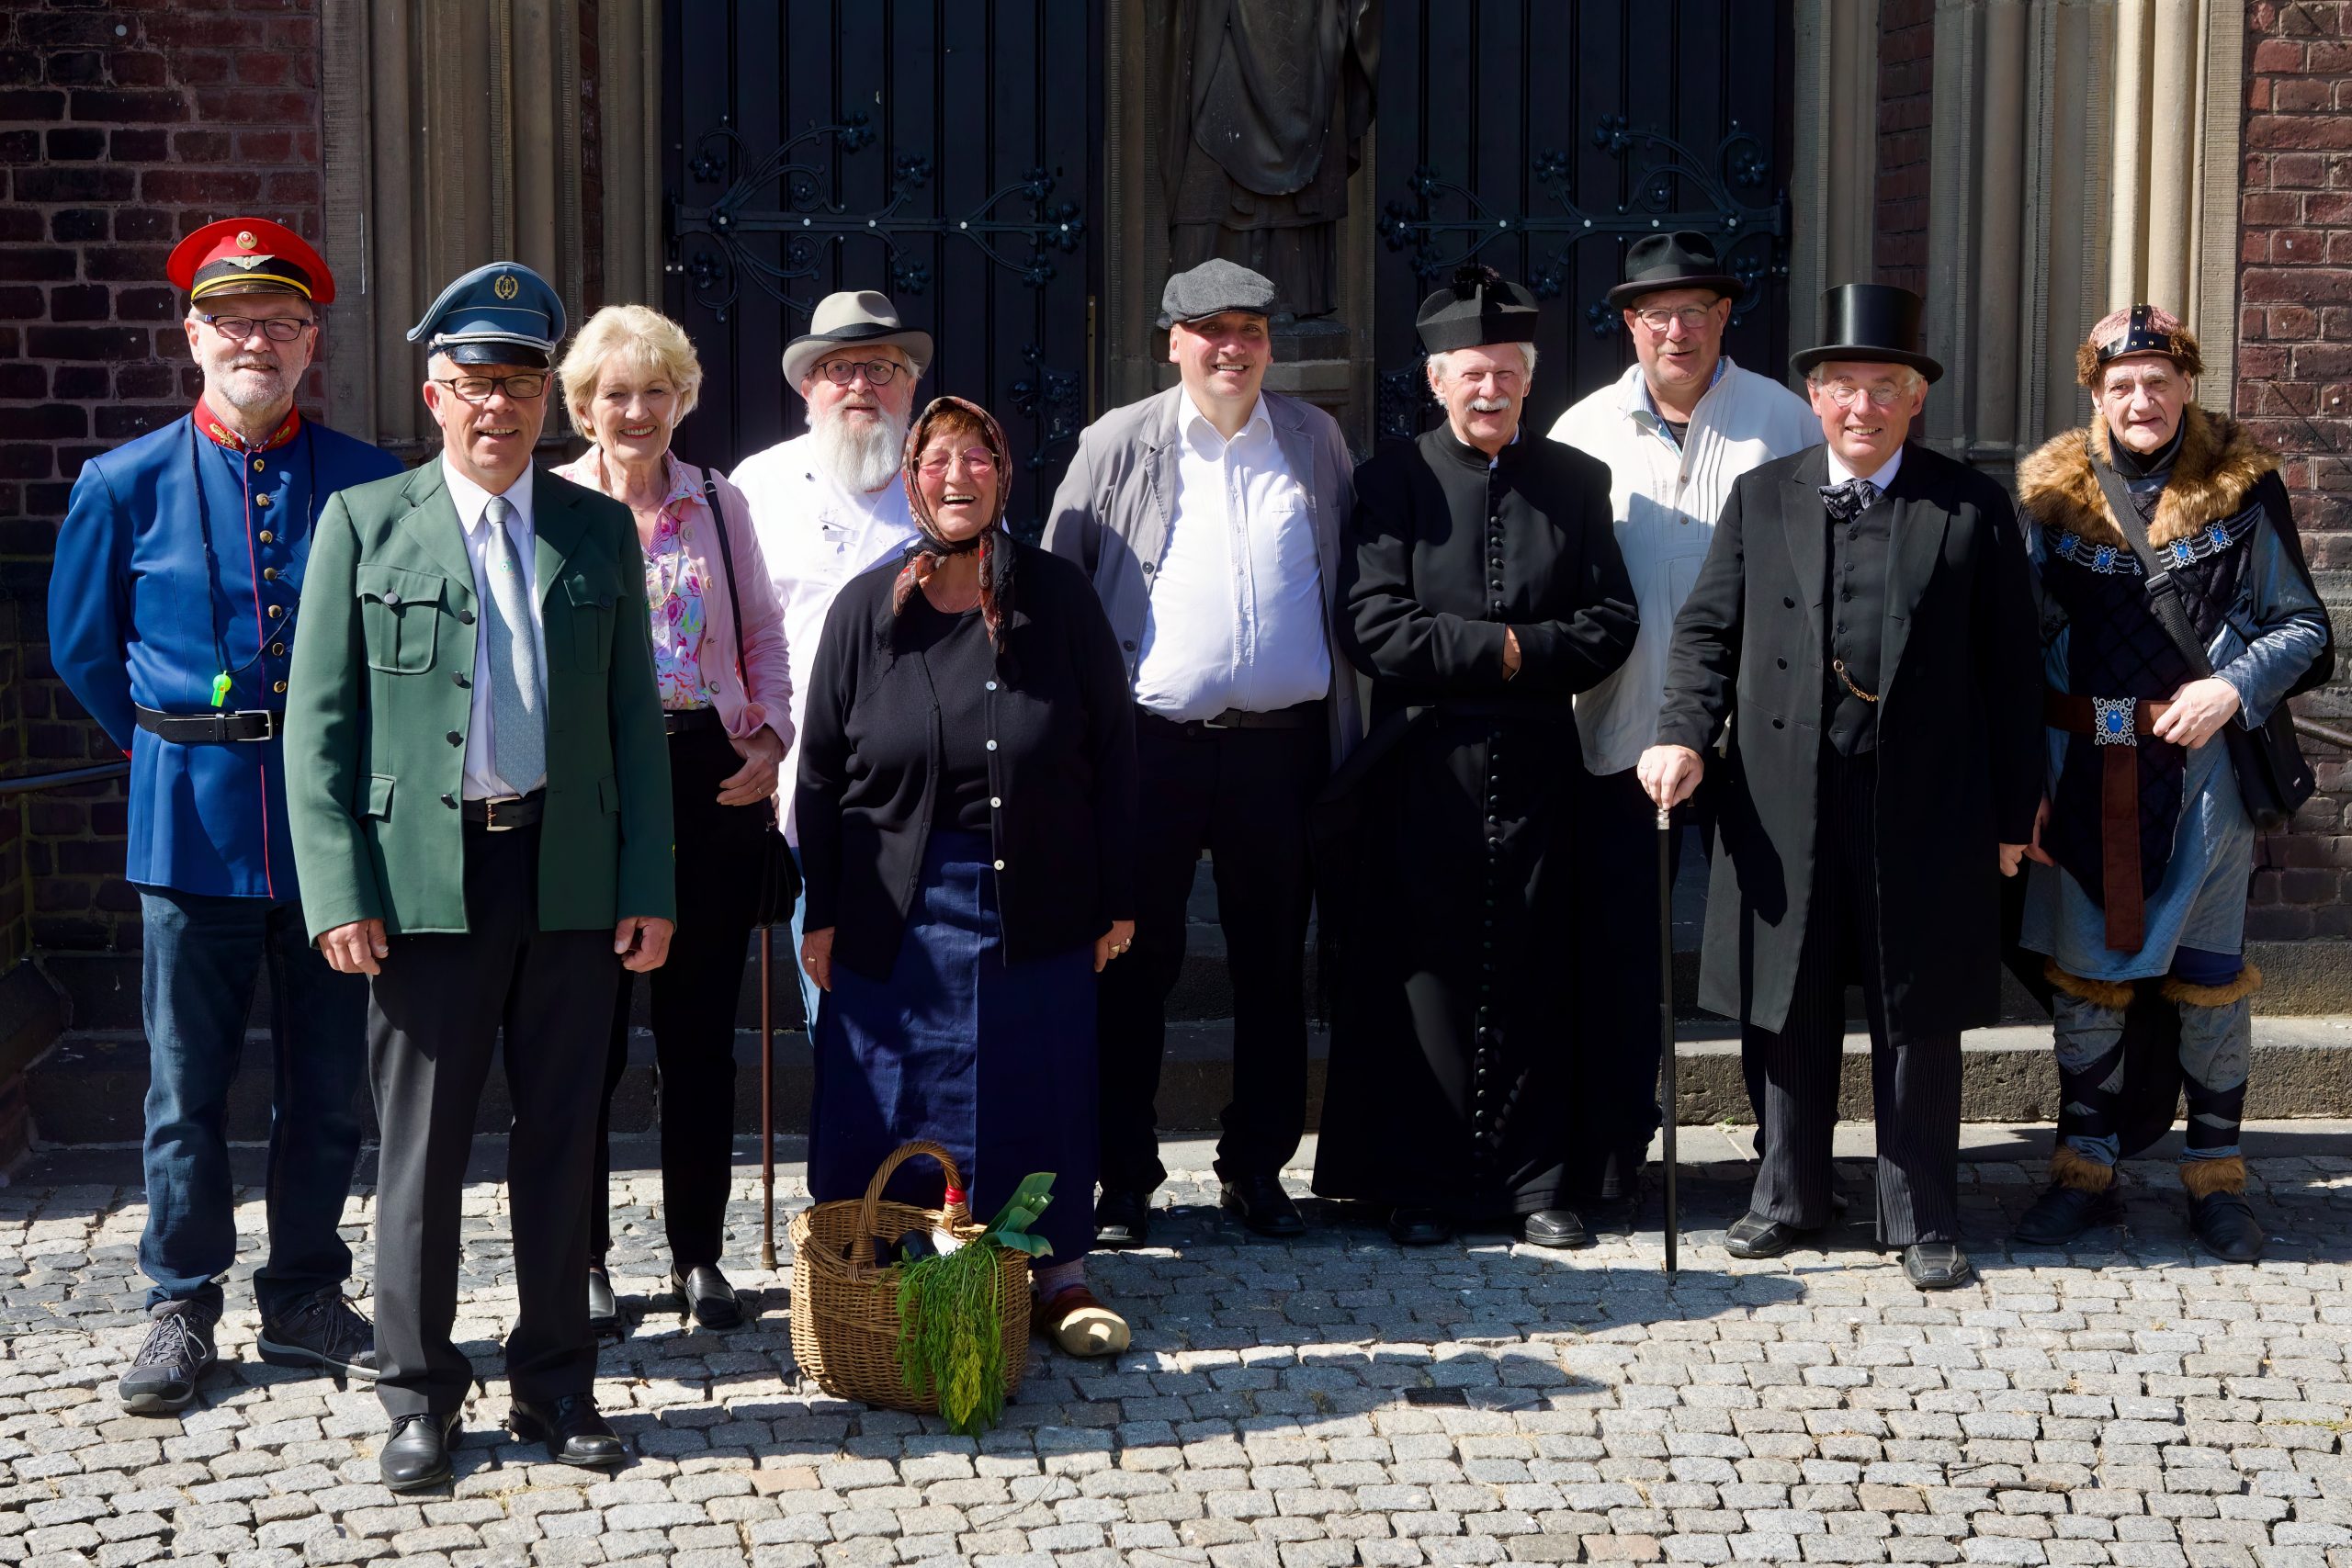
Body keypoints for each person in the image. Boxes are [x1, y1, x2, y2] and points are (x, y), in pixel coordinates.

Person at [284, 263, 676, 1488]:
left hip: (562, 871)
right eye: (471, 385)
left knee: (564, 1136)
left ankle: (557, 1380)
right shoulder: (366, 522)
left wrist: (648, 879)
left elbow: (631, 718)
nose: (495, 408)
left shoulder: (594, 526)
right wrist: (339, 889)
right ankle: (417, 1390)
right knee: (423, 1146)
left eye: (515, 384)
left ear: (541, 398)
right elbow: (320, 726)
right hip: (421, 883)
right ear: (432, 393)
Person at [49, 218, 401, 1414]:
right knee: (184, 1083)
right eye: (235, 320)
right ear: (193, 335)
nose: (259, 340)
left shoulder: (369, 479)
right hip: (186, 826)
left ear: (314, 345)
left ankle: (304, 1289)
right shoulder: (123, 482)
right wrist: (170, 754)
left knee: (327, 1079)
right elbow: (85, 649)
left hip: (329, 831)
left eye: (283, 323)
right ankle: (179, 1298)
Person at [1636, 283, 2043, 1291]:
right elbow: (1703, 633)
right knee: (1787, 999)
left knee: (1917, 1009)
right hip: (1780, 797)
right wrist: (1680, 736)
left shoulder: (1969, 506)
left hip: (1925, 800)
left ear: (1914, 400)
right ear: (1812, 397)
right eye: (1842, 388)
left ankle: (1922, 1213)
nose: (1860, 408)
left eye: (1883, 388)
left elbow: (2012, 672)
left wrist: (2009, 815)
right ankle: (1786, 1194)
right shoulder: (1762, 495)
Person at [797, 397, 1139, 1357]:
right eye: (938, 459)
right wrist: (819, 910)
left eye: (977, 457)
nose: (958, 476)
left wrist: (1118, 898)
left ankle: (1053, 1274)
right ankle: (894, 1270)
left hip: (1038, 897)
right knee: (892, 1091)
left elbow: (1114, 753)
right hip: (888, 904)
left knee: (1042, 1085)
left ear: (1004, 474)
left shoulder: (1060, 598)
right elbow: (820, 770)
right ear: (912, 478)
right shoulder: (866, 609)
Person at [1312, 265, 1638, 1248]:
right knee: (1427, 979)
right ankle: (1424, 1183)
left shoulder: (1575, 483)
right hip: (1419, 767)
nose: (1488, 390)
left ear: (1527, 382)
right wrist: (1502, 648)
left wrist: (1516, 653)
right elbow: (1372, 622)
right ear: (1436, 382)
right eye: (1470, 374)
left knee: (1536, 968)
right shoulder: (1390, 481)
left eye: (1505, 374)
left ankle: (1536, 1184)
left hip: (1541, 767)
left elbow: (1610, 618)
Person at [1044, 258, 1360, 1250]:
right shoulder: (1117, 443)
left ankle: (1257, 1171)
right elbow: (1060, 588)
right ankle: (1124, 1178)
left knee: (1274, 965)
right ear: (1171, 342)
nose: (1232, 348)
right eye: (1210, 329)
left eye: (1251, 331)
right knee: (1133, 963)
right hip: (1150, 751)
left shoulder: (1313, 439)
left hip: (1280, 750)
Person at [2010, 306, 2332, 1261]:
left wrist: (2232, 687)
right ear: (2095, 396)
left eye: (2157, 380)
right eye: (2121, 385)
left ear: (2186, 384)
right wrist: (2019, 781)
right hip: (2077, 768)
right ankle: (2084, 1170)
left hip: (2201, 781)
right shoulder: (2046, 501)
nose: (2140, 399)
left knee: (2208, 980)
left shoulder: (2241, 488)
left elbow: (2304, 629)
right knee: (2085, 983)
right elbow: (2014, 651)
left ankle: (2217, 1179)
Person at [1548, 231, 1819, 1213]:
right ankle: (1617, 1143)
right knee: (1622, 952)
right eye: (1657, 314)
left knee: (1763, 953)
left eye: (1696, 311)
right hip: (1621, 733)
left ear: (1724, 319)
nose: (1677, 330)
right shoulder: (1581, 432)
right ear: (1629, 324)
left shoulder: (1785, 424)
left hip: (1758, 740)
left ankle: (1781, 1156)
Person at [552, 304, 792, 1332]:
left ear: (683, 397)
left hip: (707, 771)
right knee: (586, 1040)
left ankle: (699, 1253)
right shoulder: (550, 502)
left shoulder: (717, 501)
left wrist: (769, 736)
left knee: (699, 1037)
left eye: (656, 390)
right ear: (583, 405)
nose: (636, 410)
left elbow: (765, 632)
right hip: (590, 783)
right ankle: (585, 1260)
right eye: (615, 393)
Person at [733, 290, 928, 1032]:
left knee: (935, 1009)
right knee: (844, 1013)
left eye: (880, 367)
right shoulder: (758, 488)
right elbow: (733, 639)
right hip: (810, 792)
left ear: (909, 386)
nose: (859, 385)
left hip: (934, 800)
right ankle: (861, 1151)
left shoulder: (947, 481)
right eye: (838, 368)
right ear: (808, 386)